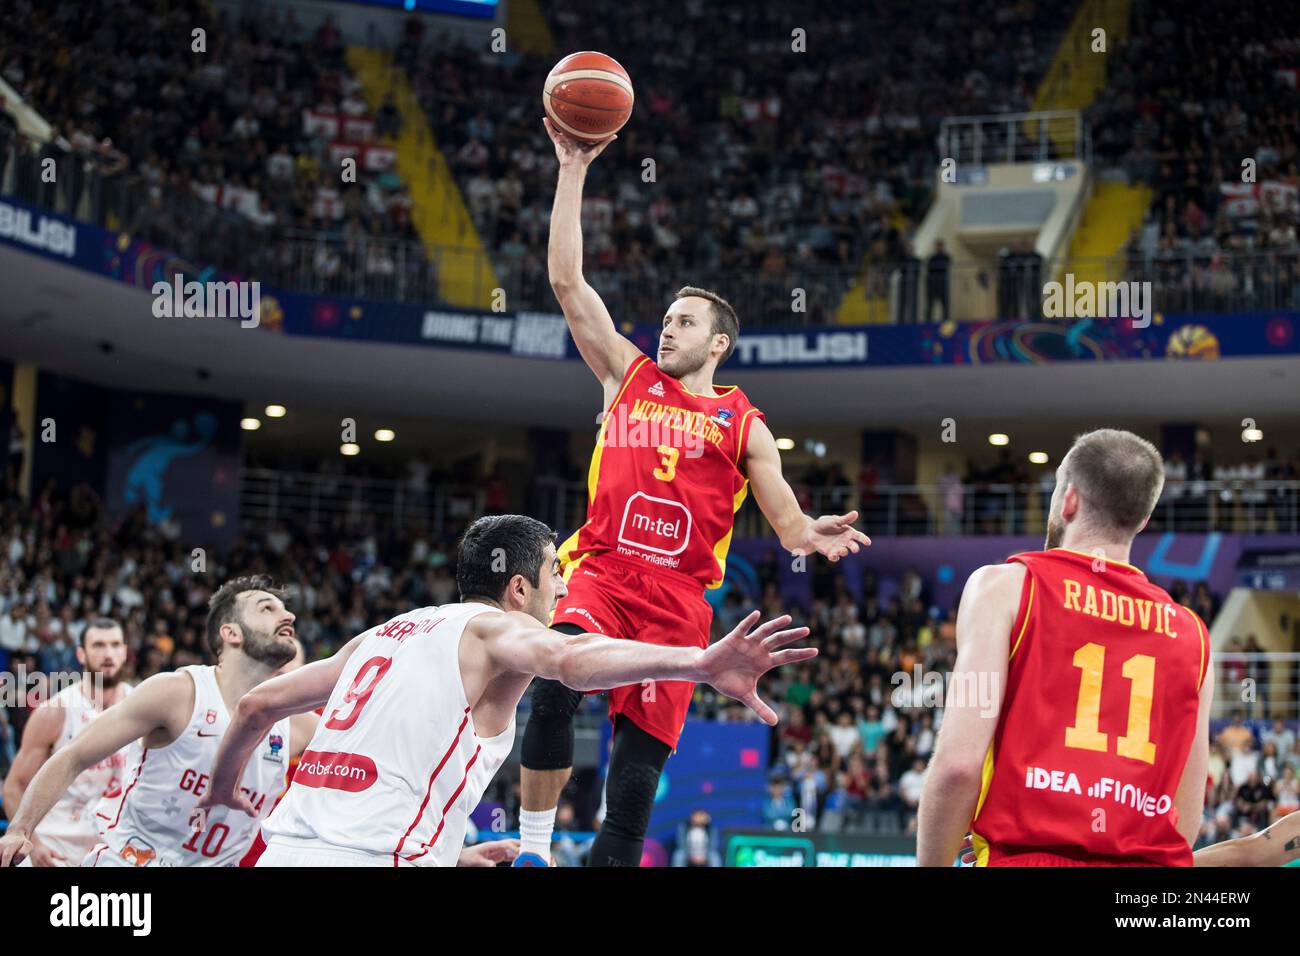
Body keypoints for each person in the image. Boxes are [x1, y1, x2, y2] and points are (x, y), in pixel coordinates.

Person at [516, 118, 870, 868]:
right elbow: (567, 284)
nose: (666, 330)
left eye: (684, 323)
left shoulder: (744, 422)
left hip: (679, 602)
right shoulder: (626, 375)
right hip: (605, 573)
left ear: (718, 344)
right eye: (666, 318)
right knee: (553, 684)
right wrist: (573, 168)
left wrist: (806, 532)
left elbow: (781, 513)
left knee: (636, 782)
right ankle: (533, 853)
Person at [190, 515, 813, 867]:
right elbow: (572, 658)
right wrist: (698, 664)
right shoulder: (496, 633)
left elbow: (257, 706)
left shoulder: (381, 635)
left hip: (285, 853)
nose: (564, 592)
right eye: (554, 574)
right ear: (519, 589)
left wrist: (222, 794)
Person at [918, 429, 1213, 866]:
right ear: (1141, 519)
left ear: (1069, 500)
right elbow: (1183, 819)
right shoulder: (1192, 633)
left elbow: (959, 767)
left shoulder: (1005, 587)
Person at [0, 576, 317, 867]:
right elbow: (72, 756)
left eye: (286, 609)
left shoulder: (299, 724)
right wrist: (21, 829)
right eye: (268, 608)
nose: (288, 615)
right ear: (231, 632)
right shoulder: (176, 693)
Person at [3, 620, 132, 866]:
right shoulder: (55, 710)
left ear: (125, 652)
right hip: (55, 848)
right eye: (98, 645)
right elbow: (13, 787)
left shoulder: (144, 706)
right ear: (81, 654)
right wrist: (35, 846)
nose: (108, 653)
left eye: (115, 645)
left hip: (116, 849)